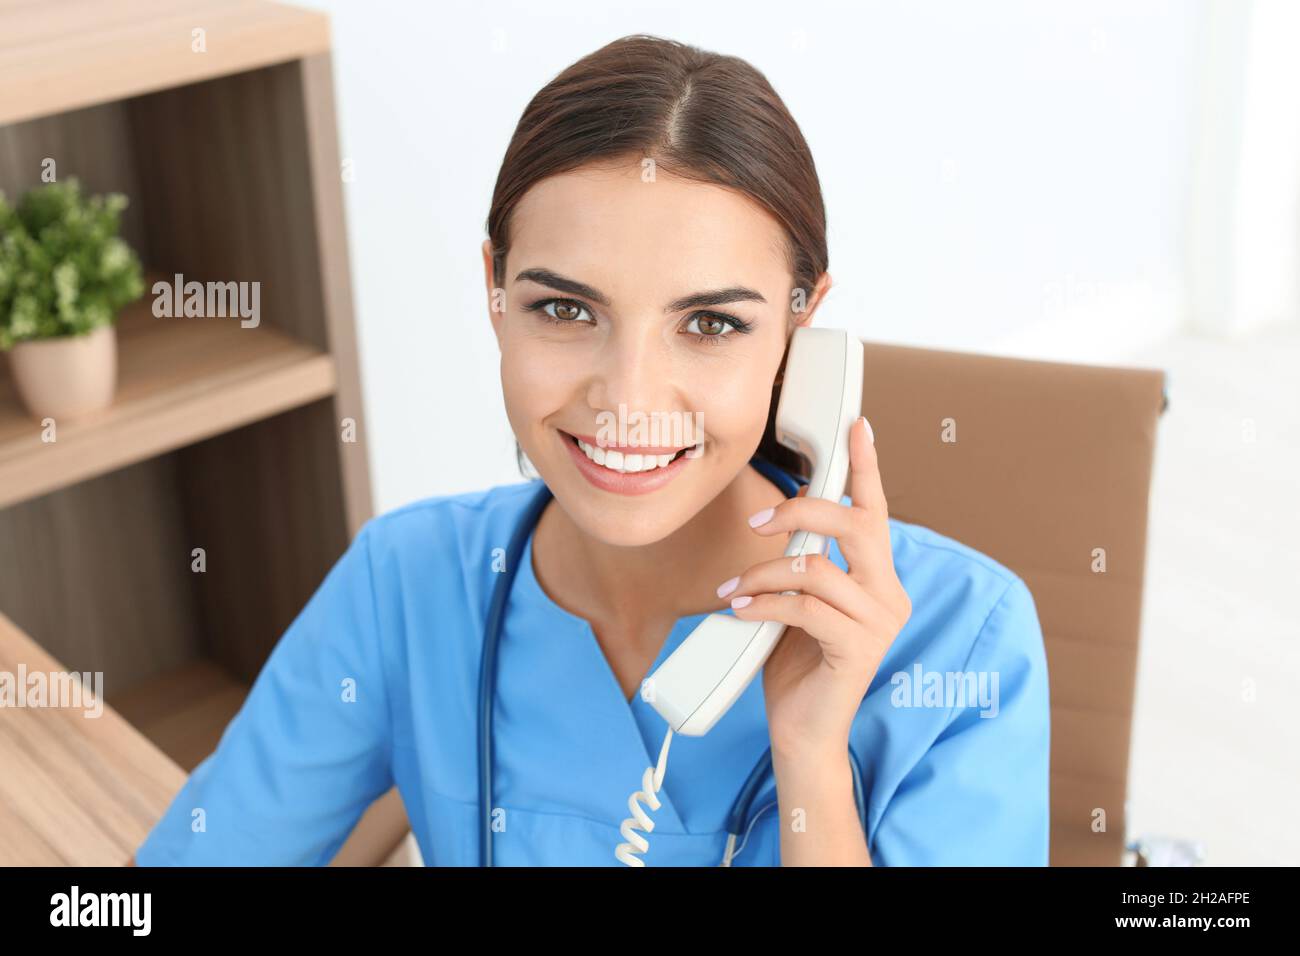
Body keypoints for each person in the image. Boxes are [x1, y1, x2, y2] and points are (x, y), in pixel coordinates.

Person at [131, 34, 1049, 867]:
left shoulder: (966, 641)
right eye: (565, 310)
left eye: (712, 322)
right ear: (494, 290)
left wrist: (811, 758)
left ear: (802, 332)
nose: (628, 400)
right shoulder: (406, 585)